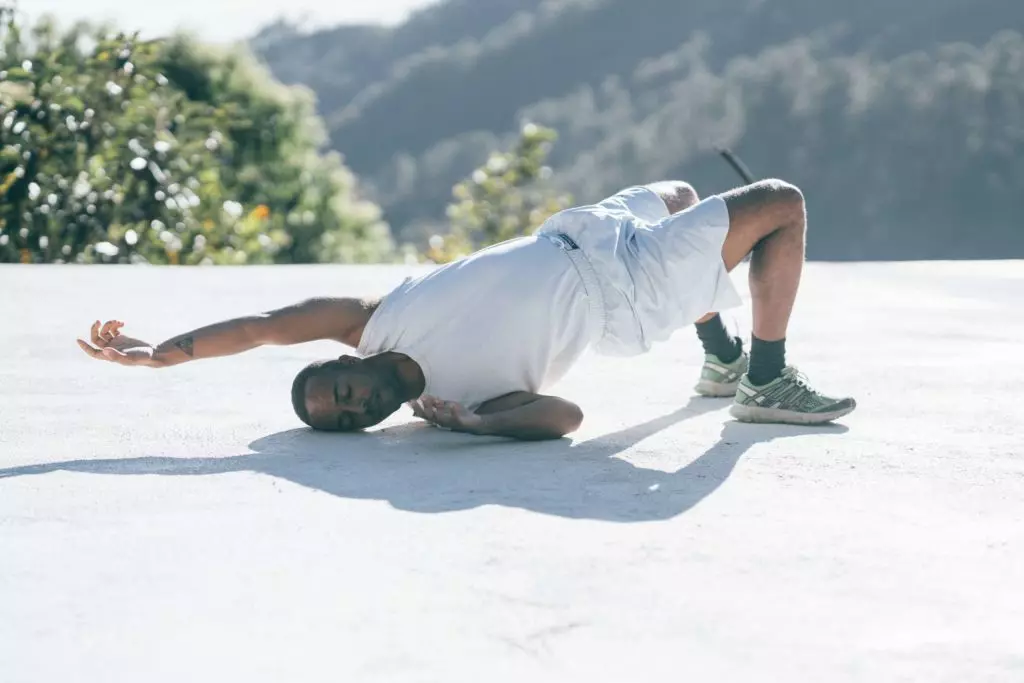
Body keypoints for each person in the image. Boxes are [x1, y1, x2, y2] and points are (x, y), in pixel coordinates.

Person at [78, 178, 856, 441]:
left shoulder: (369, 317)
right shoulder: (461, 403)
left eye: (341, 393)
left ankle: (718, 360)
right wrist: (477, 422)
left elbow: (258, 328)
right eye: (350, 420)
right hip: (625, 290)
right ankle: (765, 378)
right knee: (780, 203)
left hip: (584, 230)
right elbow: (566, 418)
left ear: (347, 360)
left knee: (682, 194)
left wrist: (161, 354)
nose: (358, 407)